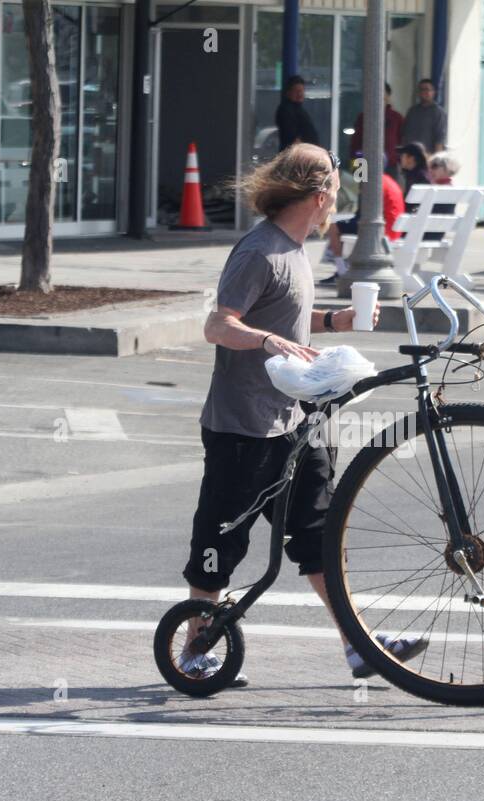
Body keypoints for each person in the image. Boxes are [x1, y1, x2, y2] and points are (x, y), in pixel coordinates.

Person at [181, 144, 426, 682]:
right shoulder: (259, 251)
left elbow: (286, 319)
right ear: (318, 198)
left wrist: (333, 323)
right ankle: (195, 650)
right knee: (220, 541)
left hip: (296, 420)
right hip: (242, 425)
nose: (335, 207)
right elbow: (219, 325)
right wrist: (268, 342)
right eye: (335, 196)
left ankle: (358, 643)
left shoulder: (293, 251)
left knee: (319, 533)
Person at [322, 171, 405, 279]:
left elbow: (365, 213)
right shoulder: (388, 180)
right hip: (394, 229)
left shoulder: (374, 182)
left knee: (333, 227)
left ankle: (341, 270)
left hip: (382, 229)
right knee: (344, 226)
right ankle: (342, 262)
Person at [349, 83, 406, 174]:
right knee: (362, 187)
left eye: (382, 92)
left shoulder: (396, 118)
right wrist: (355, 166)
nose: (378, 96)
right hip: (364, 163)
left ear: (388, 96)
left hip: (390, 165)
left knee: (388, 187)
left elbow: (402, 142)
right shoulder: (363, 117)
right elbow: (356, 143)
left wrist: (401, 162)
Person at [275, 75, 320, 151]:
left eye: (302, 91)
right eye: (296, 91)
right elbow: (291, 136)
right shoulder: (286, 110)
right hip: (297, 155)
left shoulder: (298, 109)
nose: (300, 94)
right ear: (288, 93)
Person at [403, 78, 447, 156]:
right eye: (421, 90)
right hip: (411, 158)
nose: (424, 92)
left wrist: (436, 161)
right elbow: (405, 136)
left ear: (434, 92)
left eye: (427, 89)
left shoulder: (438, 112)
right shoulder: (412, 111)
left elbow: (440, 139)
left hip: (428, 158)